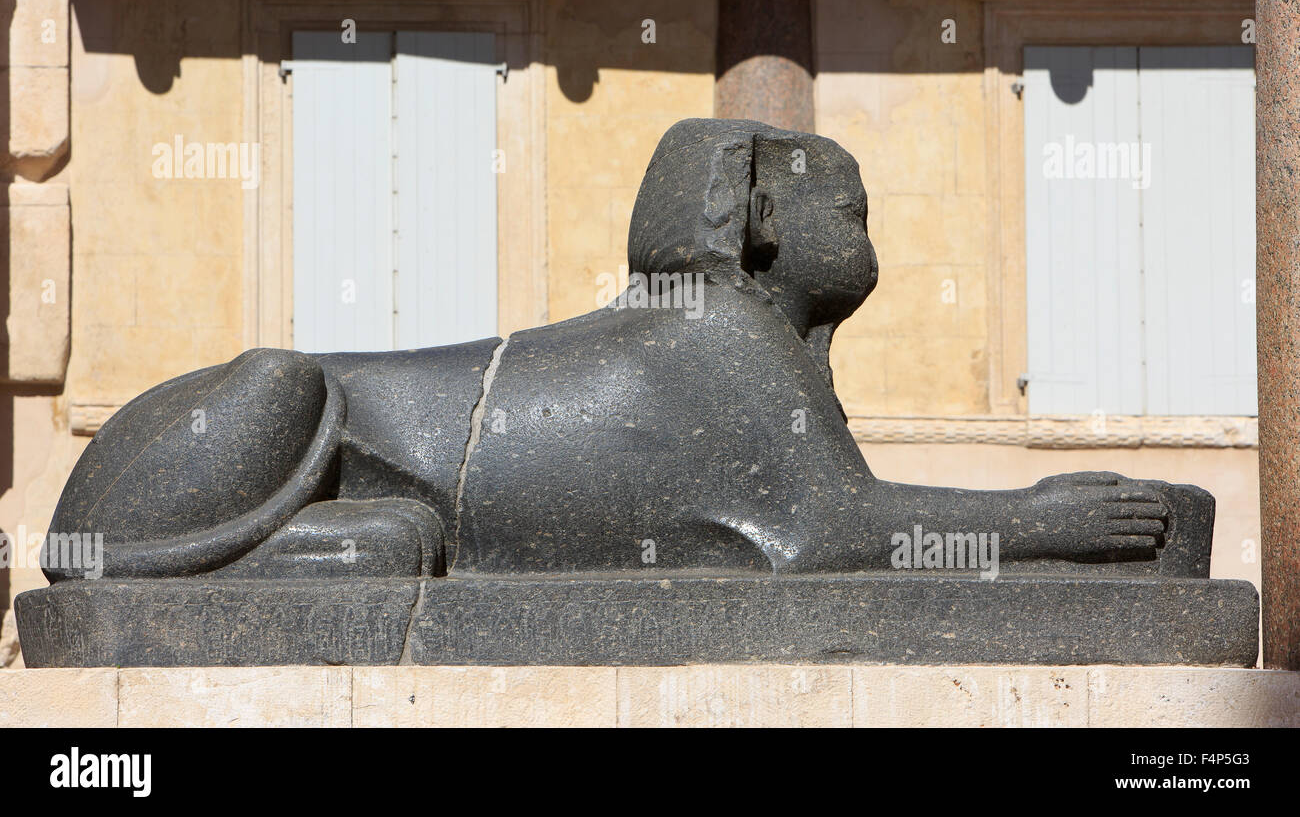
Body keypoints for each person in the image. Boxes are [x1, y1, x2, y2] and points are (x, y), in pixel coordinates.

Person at [43, 119, 1188, 582]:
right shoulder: (705, 342)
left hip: (357, 489)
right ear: (758, 222)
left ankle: (292, 548)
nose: (868, 236)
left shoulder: (722, 345)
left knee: (390, 526)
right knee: (278, 379)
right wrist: (1040, 520)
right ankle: (244, 556)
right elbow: (813, 534)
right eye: (850, 208)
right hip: (178, 489)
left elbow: (818, 515)